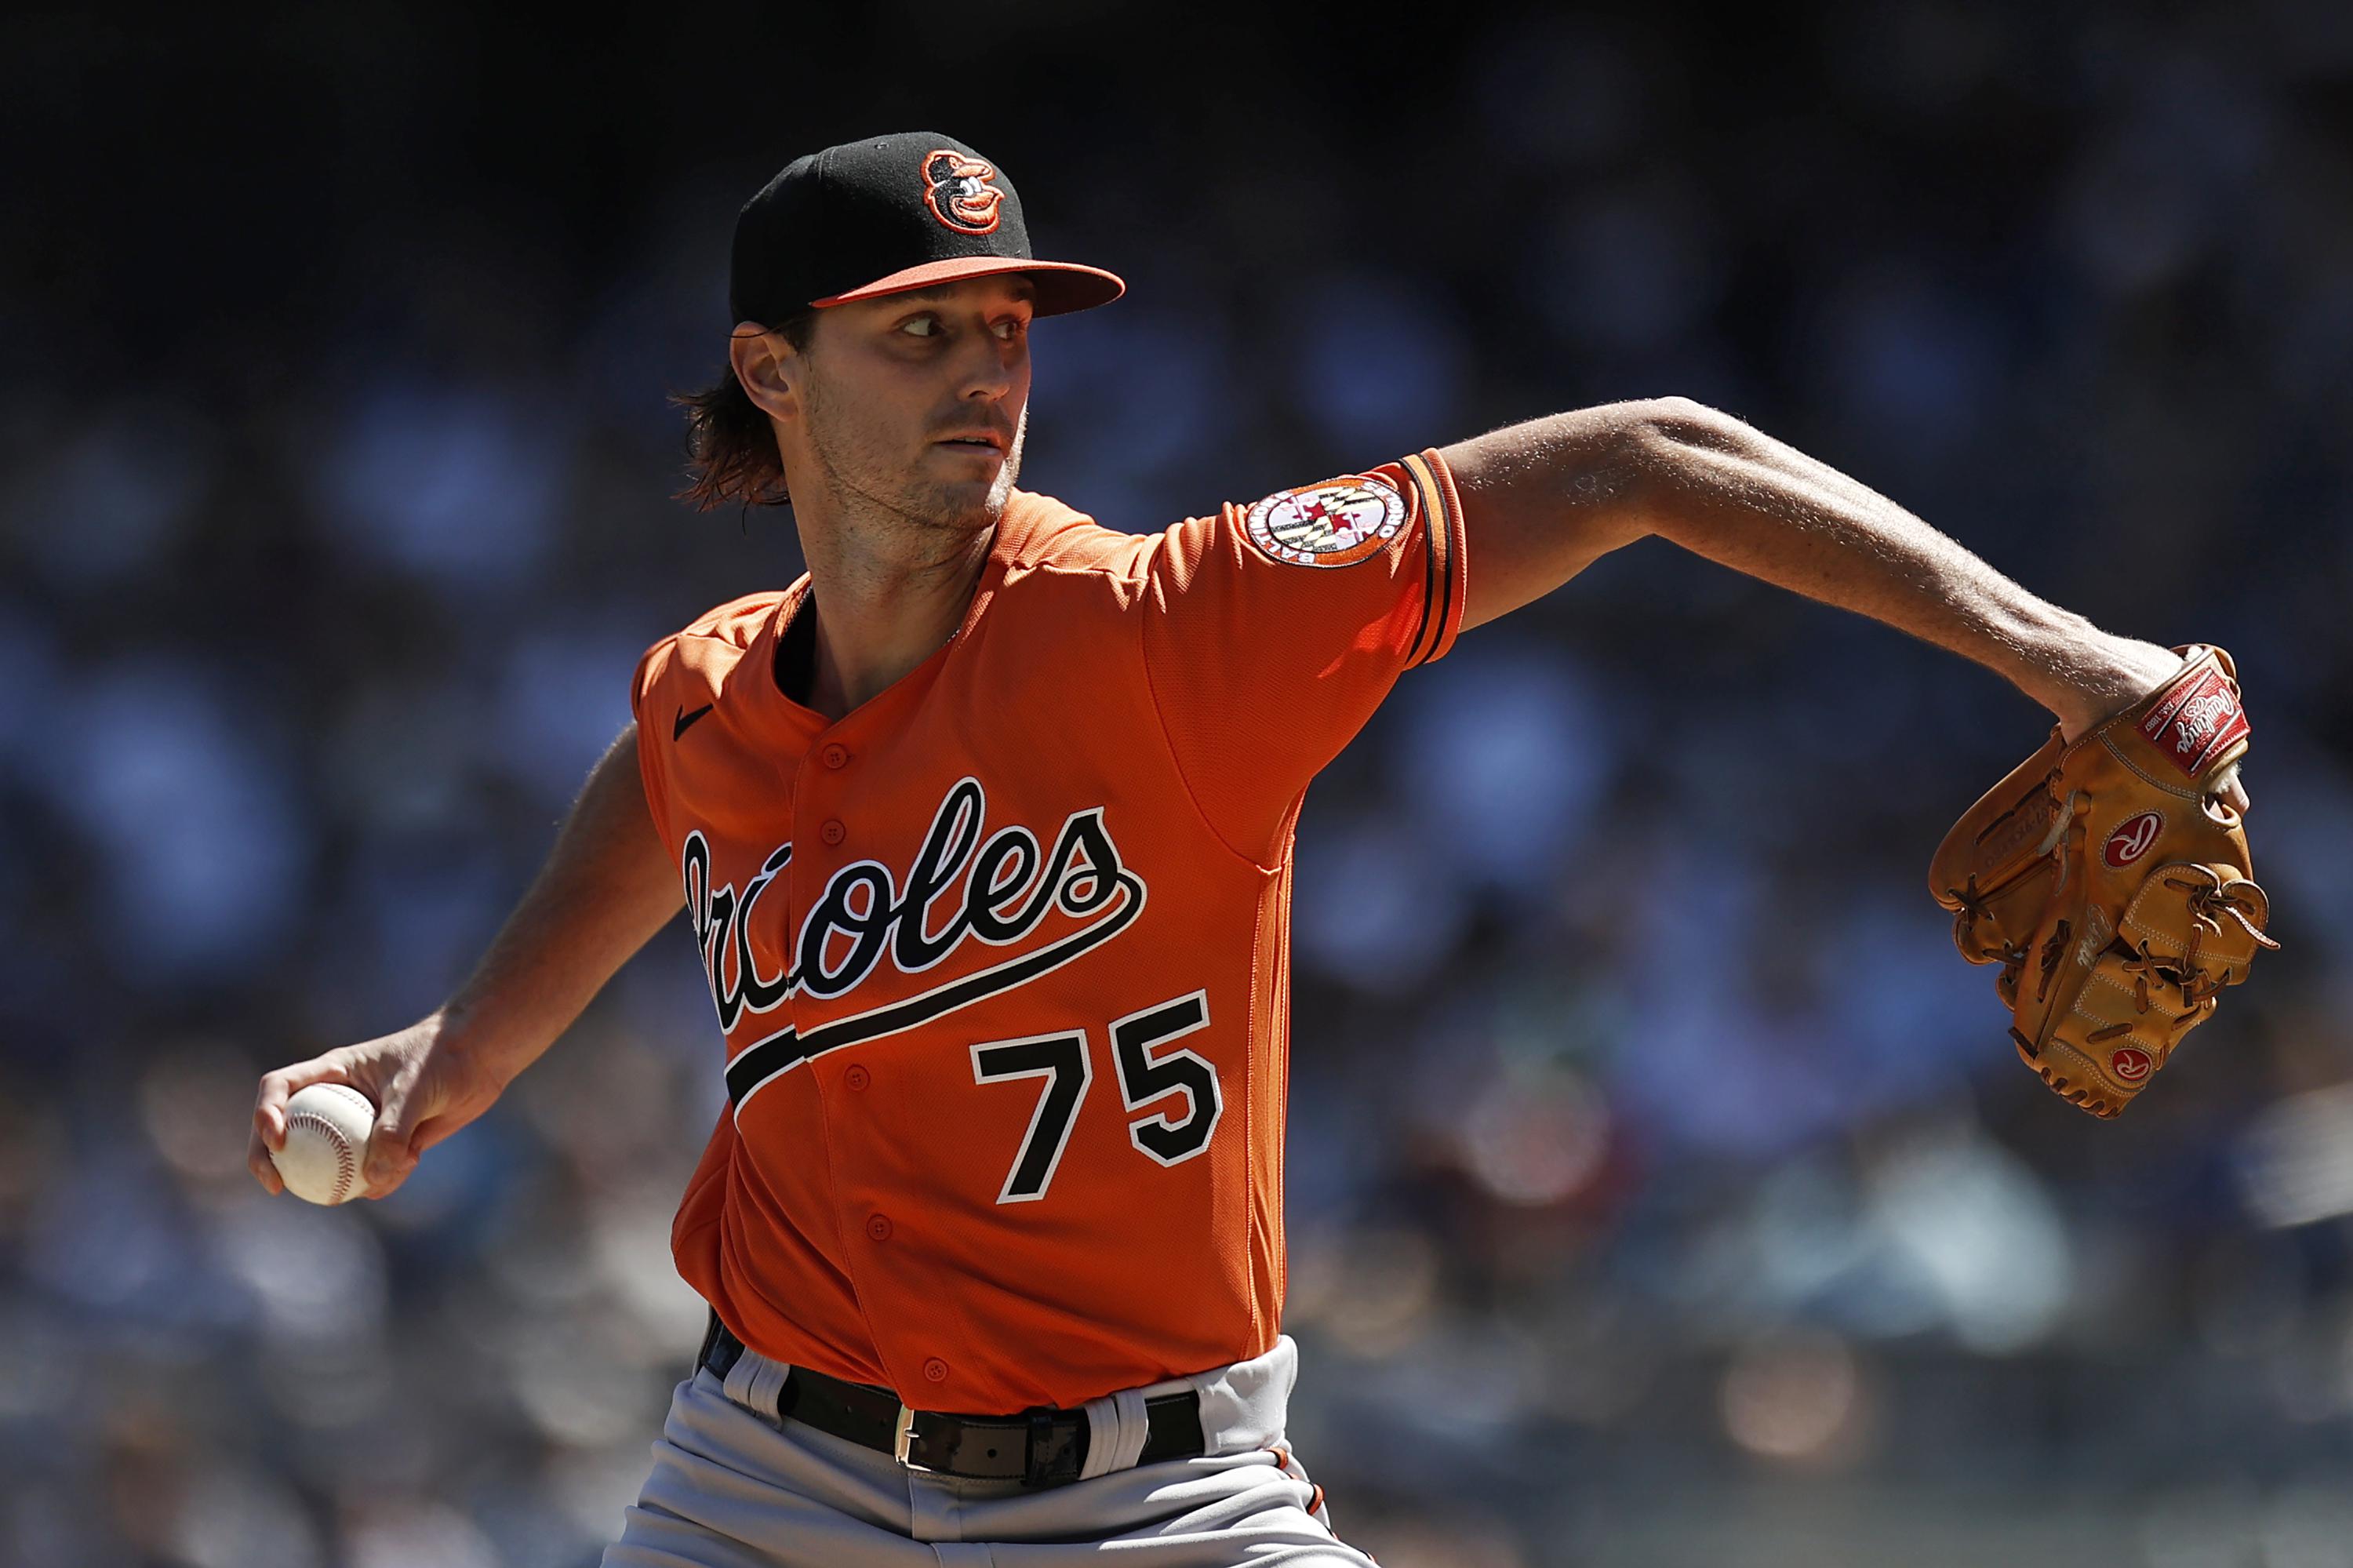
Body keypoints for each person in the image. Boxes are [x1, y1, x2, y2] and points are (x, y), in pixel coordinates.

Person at [245, 133, 2250, 1565]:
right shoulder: (708, 693)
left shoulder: (1165, 628)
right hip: (769, 1486)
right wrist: (456, 1063)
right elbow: (662, 779)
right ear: (770, 373)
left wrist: (2077, 668)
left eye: (1003, 323)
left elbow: (1647, 461)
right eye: (915, 333)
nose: (985, 371)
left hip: (1154, 1500)